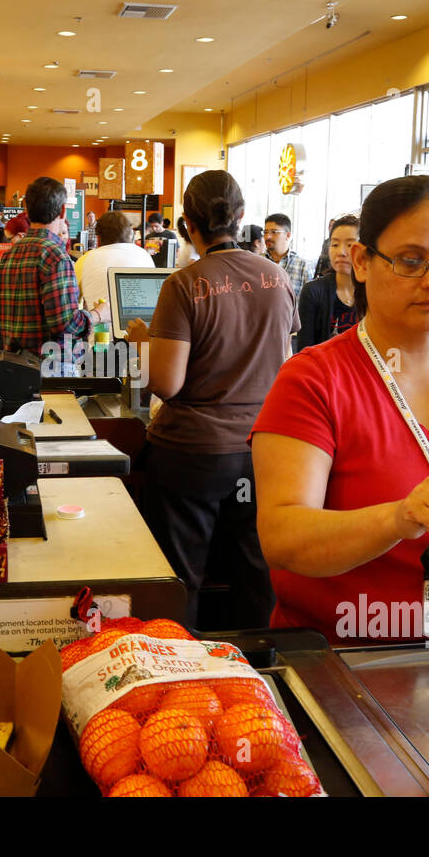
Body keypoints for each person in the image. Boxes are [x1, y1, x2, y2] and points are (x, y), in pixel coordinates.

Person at [251, 174, 429, 644]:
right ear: (362, 262)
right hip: (346, 660)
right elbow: (283, 537)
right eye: (410, 261)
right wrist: (397, 518)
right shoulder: (314, 379)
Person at [124, 170, 298, 629]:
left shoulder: (183, 285)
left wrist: (140, 342)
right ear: (241, 217)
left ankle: (188, 678)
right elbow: (285, 360)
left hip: (191, 455)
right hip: (261, 452)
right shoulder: (277, 278)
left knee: (182, 579)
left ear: (187, 224)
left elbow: (166, 383)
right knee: (254, 574)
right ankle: (259, 676)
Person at [0, 177, 109, 368]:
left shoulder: (10, 254)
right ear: (62, 211)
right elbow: (65, 324)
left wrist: (15, 336)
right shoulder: (56, 256)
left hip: (14, 365)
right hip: (51, 368)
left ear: (27, 211)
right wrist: (98, 315)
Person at [295, 214, 360, 351]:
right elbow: (304, 351)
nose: (341, 252)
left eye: (350, 245)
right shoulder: (313, 291)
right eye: (335, 244)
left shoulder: (374, 292)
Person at [74, 211, 154, 308]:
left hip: (100, 321)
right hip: (142, 321)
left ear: (98, 237)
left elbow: (70, 300)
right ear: (130, 233)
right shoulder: (144, 255)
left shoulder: (85, 260)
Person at [263, 213, 311, 295]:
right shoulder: (258, 261)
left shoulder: (302, 266)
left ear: (288, 235)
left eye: (274, 232)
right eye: (265, 232)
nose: (268, 237)